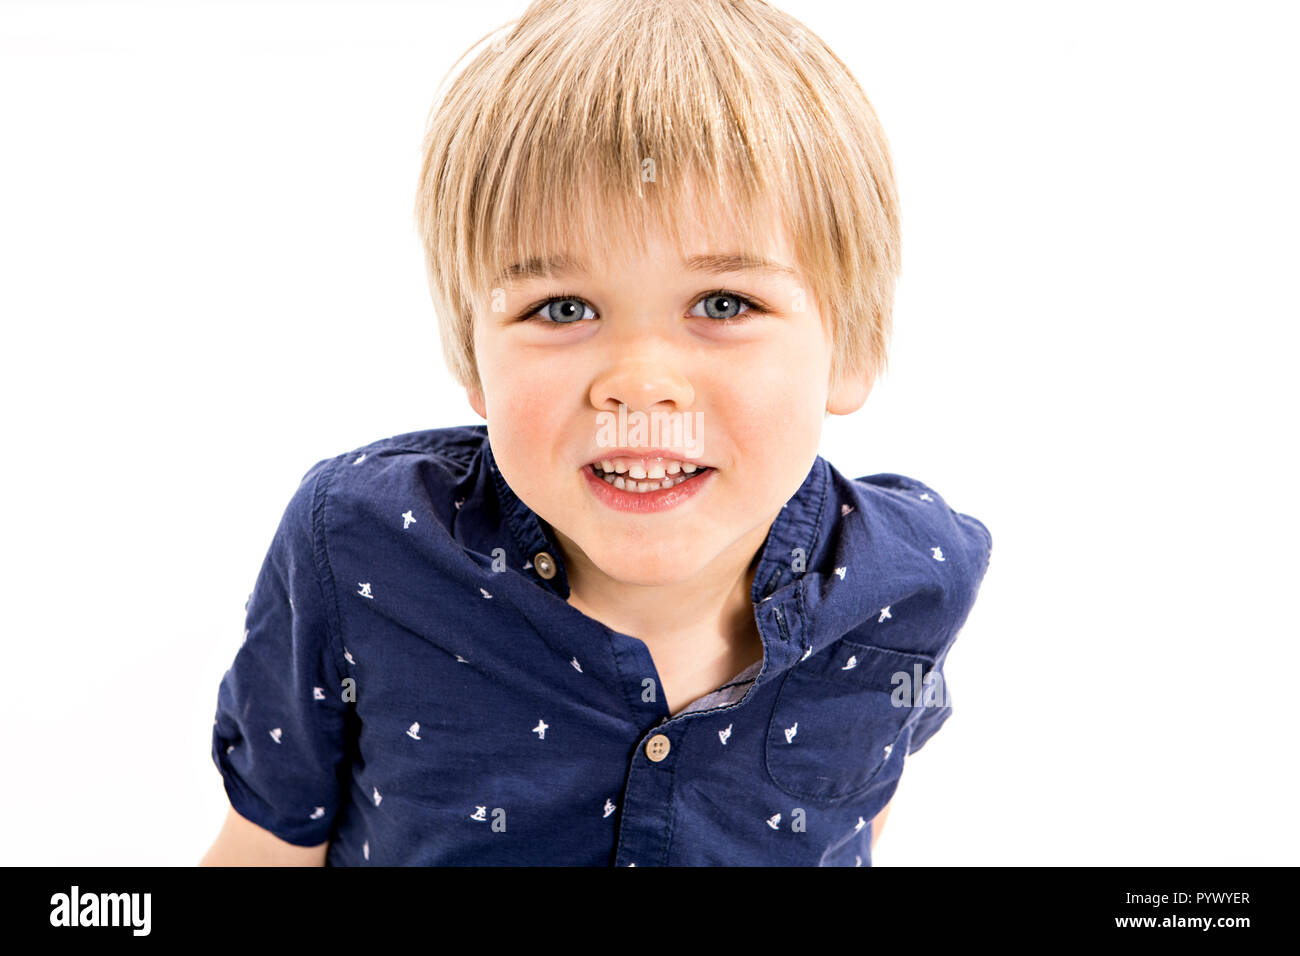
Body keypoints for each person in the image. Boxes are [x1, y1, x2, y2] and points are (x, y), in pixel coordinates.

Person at [201, 0, 992, 867]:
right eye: (564, 308)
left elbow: (862, 807)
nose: (640, 383)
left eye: (724, 303)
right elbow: (267, 847)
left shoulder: (914, 578)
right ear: (475, 358)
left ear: (853, 347)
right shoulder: (356, 550)